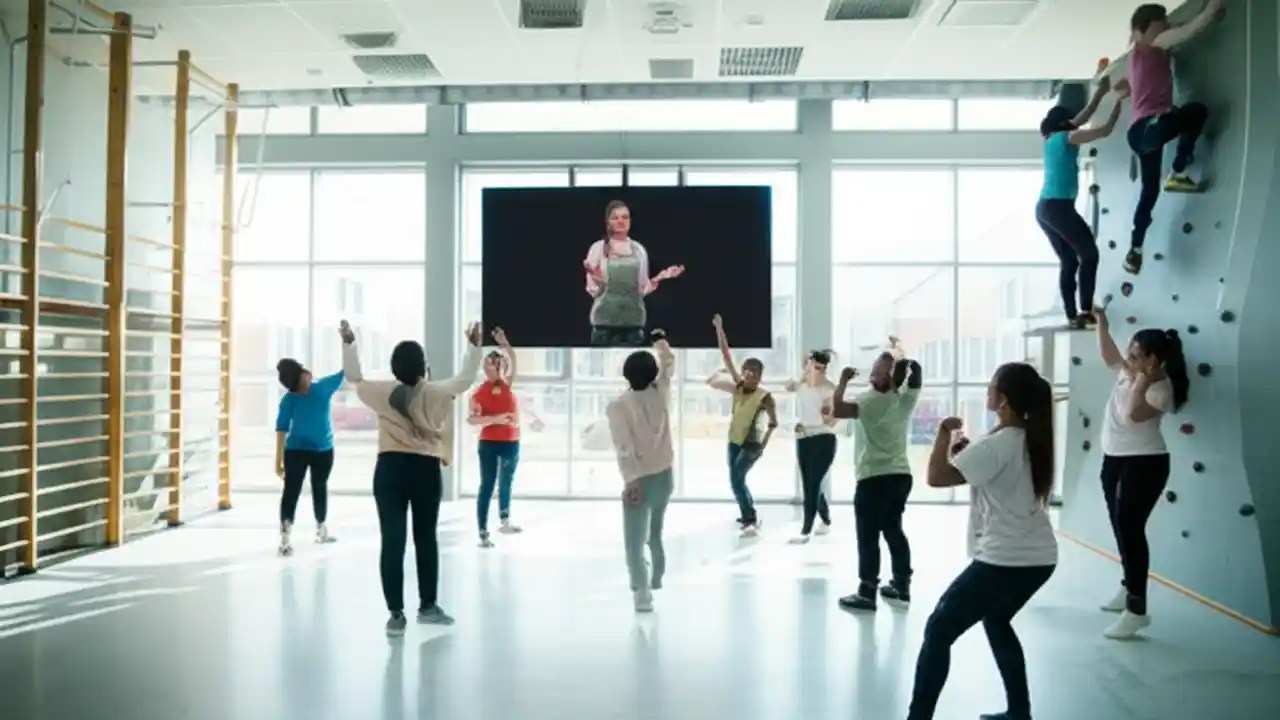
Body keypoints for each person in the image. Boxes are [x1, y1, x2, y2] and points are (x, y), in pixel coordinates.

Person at [906, 363, 1058, 720]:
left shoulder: (999, 443)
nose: (987, 390)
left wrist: (943, 432)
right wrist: (966, 451)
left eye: (991, 386)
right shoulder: (1027, 438)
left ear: (1003, 399)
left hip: (1007, 560)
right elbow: (992, 467)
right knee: (996, 620)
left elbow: (937, 476)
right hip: (1040, 559)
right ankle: (1019, 712)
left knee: (938, 629)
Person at [339, 319, 483, 637]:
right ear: (423, 366)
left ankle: (396, 614)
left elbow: (354, 378)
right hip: (425, 471)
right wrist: (474, 347)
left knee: (392, 540)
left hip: (389, 470)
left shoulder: (381, 392)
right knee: (425, 538)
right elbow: (465, 379)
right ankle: (428, 607)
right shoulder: (436, 392)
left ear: (394, 367)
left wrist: (350, 344)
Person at [1093, 307, 1189, 640]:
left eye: (1135, 356)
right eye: (1130, 353)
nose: (1128, 360)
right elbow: (1109, 356)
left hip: (1145, 464)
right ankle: (1128, 585)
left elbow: (1133, 414)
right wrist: (1102, 324)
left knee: (1131, 530)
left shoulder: (1160, 390)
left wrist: (1142, 380)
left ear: (1154, 361)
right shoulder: (1128, 371)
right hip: (1114, 459)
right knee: (1120, 526)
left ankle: (1137, 610)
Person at [1122, 0, 1224, 276]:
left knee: (1150, 191)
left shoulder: (1138, 54)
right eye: (1159, 27)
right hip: (1149, 128)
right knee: (1196, 111)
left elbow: (1177, 32)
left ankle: (1135, 249)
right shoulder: (1153, 45)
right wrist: (1211, 9)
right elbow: (1188, 30)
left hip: (1141, 133)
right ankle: (1178, 169)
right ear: (1142, 32)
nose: (1164, 31)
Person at [1036, 68, 1131, 329]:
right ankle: (1086, 310)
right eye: (1070, 121)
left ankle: (1072, 315)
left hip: (1044, 209)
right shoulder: (1067, 137)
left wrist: (1101, 92)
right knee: (1089, 255)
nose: (1075, 122)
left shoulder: (1051, 139)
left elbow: (1084, 116)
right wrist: (1120, 102)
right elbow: (1105, 130)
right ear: (1064, 123)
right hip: (1058, 208)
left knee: (1069, 260)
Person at [831, 352, 922, 611]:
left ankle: (867, 590)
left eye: (878, 369)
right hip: (901, 476)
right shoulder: (904, 400)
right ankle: (901, 585)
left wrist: (842, 381)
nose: (873, 372)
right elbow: (916, 379)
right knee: (893, 529)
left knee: (868, 535)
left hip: (873, 478)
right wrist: (908, 365)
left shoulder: (868, 401)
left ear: (886, 377)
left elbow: (837, 409)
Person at [606, 330, 676, 612]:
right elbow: (669, 363)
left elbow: (623, 447)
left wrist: (630, 481)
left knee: (634, 541)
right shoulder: (661, 393)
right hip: (666, 475)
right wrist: (660, 341)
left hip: (640, 479)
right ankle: (657, 576)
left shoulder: (619, 406)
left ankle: (642, 592)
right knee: (655, 533)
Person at [707, 313, 777, 537]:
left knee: (737, 479)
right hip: (734, 440)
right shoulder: (738, 387)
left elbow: (774, 423)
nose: (747, 374)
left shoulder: (765, 397)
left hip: (751, 444)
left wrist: (762, 446)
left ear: (759, 376)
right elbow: (726, 355)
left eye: (752, 372)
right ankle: (747, 512)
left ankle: (750, 518)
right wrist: (719, 328)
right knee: (736, 479)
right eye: (745, 370)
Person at [583, 200, 685, 347]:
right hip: (604, 324)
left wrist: (661, 277)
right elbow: (593, 289)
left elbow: (641, 290)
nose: (621, 221)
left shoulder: (638, 250)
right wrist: (601, 284)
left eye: (625, 217)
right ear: (608, 222)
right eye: (615, 217)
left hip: (633, 323)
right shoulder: (598, 249)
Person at [273, 356, 343, 556]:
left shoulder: (323, 387)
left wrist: (349, 345)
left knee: (319, 487)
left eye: (302, 386)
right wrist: (278, 460)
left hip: (323, 450)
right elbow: (281, 429)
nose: (302, 392)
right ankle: (285, 537)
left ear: (305, 374)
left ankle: (321, 528)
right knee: (291, 491)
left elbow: (345, 372)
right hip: (296, 450)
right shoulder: (289, 399)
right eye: (297, 390)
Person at [468, 327, 523, 548]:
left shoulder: (507, 384)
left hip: (511, 441)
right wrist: (496, 419)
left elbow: (514, 359)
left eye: (495, 363)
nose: (491, 366)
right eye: (489, 363)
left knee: (506, 481)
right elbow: (472, 420)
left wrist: (504, 343)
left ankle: (504, 520)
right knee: (487, 484)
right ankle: (482, 531)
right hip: (489, 443)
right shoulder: (479, 392)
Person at [783, 349, 838, 544]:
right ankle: (826, 519)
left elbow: (833, 420)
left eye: (821, 369)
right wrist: (803, 375)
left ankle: (805, 530)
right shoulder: (801, 385)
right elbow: (787, 386)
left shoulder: (830, 388)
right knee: (810, 483)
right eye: (813, 367)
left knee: (812, 485)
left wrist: (827, 414)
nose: (816, 372)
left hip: (823, 439)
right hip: (804, 438)